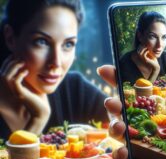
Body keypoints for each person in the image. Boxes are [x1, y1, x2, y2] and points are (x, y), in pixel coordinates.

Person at [0, 0, 108, 141]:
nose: (56, 62)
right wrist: (38, 120)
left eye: (68, 44)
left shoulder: (77, 91)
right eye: (41, 42)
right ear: (11, 38)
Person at [119, 11, 166, 85]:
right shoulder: (124, 65)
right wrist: (156, 70)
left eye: (163, 37)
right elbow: (141, 96)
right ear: (140, 36)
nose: (159, 45)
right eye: (152, 36)